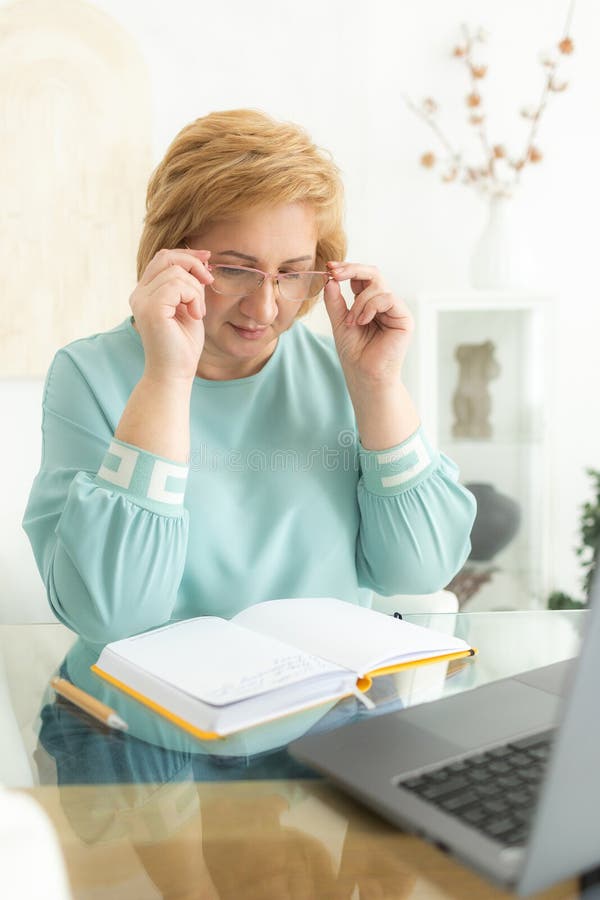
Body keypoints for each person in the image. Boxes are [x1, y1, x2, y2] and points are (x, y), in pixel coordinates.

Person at [22, 108, 476, 693]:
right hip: (143, 714)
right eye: (236, 271)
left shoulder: (348, 370)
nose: (265, 308)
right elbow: (110, 611)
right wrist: (167, 377)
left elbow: (419, 570)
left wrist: (378, 385)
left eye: (291, 274)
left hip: (322, 708)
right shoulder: (90, 376)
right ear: (173, 255)